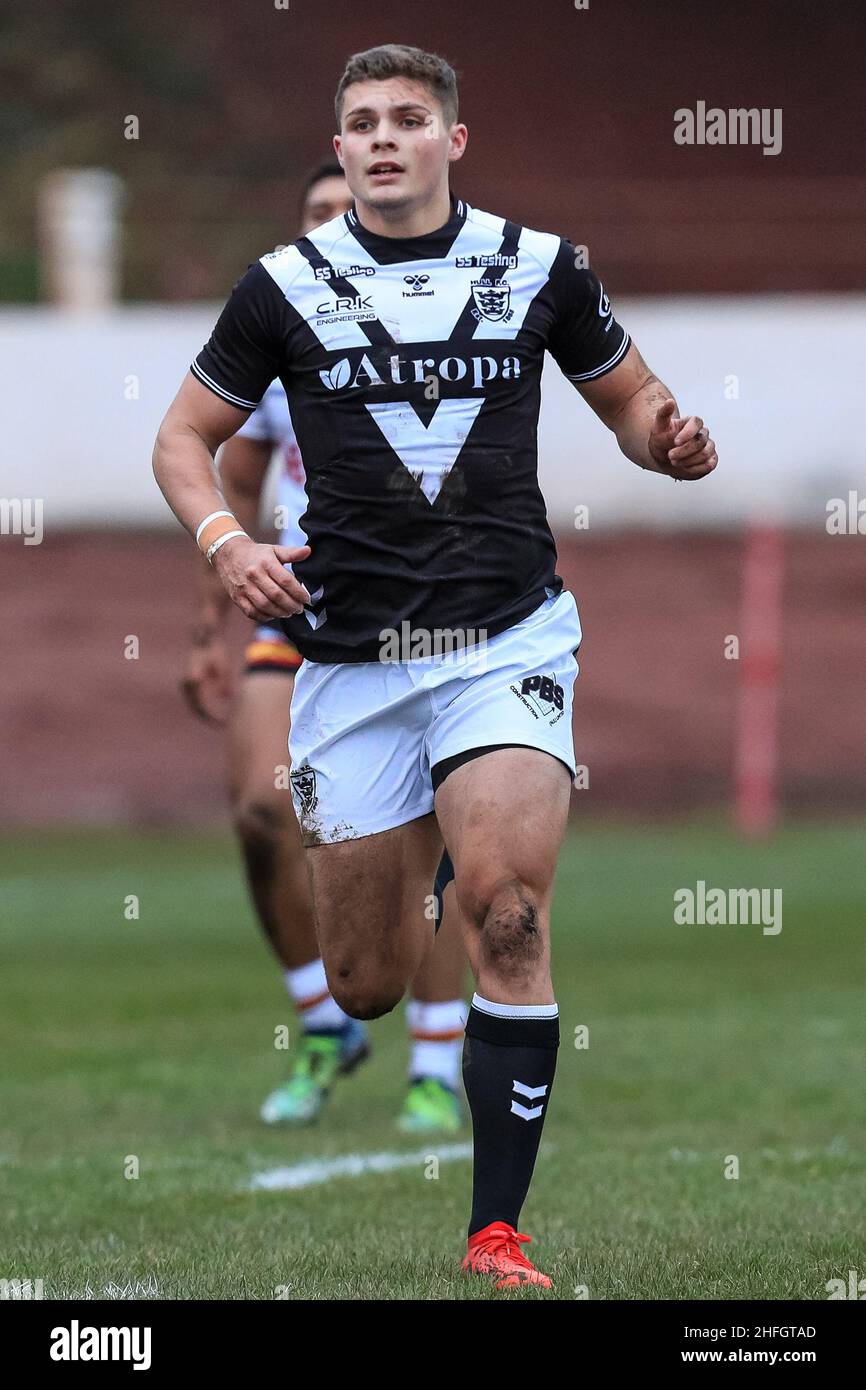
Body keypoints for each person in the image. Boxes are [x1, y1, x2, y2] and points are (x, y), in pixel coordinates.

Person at [154, 43, 717, 1289]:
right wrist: (226, 543)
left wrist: (664, 438)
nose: (383, 138)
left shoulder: (538, 267)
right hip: (351, 664)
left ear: (452, 141)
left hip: (505, 634)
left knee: (508, 913)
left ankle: (493, 1232)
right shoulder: (281, 286)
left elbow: (628, 401)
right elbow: (186, 437)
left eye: (408, 118)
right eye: (360, 123)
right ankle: (422, 834)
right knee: (362, 982)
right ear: (341, 150)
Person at [181, 161, 466, 1132]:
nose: (321, 226)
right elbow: (232, 479)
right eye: (307, 211)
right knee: (262, 810)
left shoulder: (429, 329)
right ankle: (322, 1019)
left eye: (334, 211)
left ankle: (433, 1060)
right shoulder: (276, 327)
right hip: (294, 603)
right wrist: (206, 619)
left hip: (416, 613)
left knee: (424, 844)